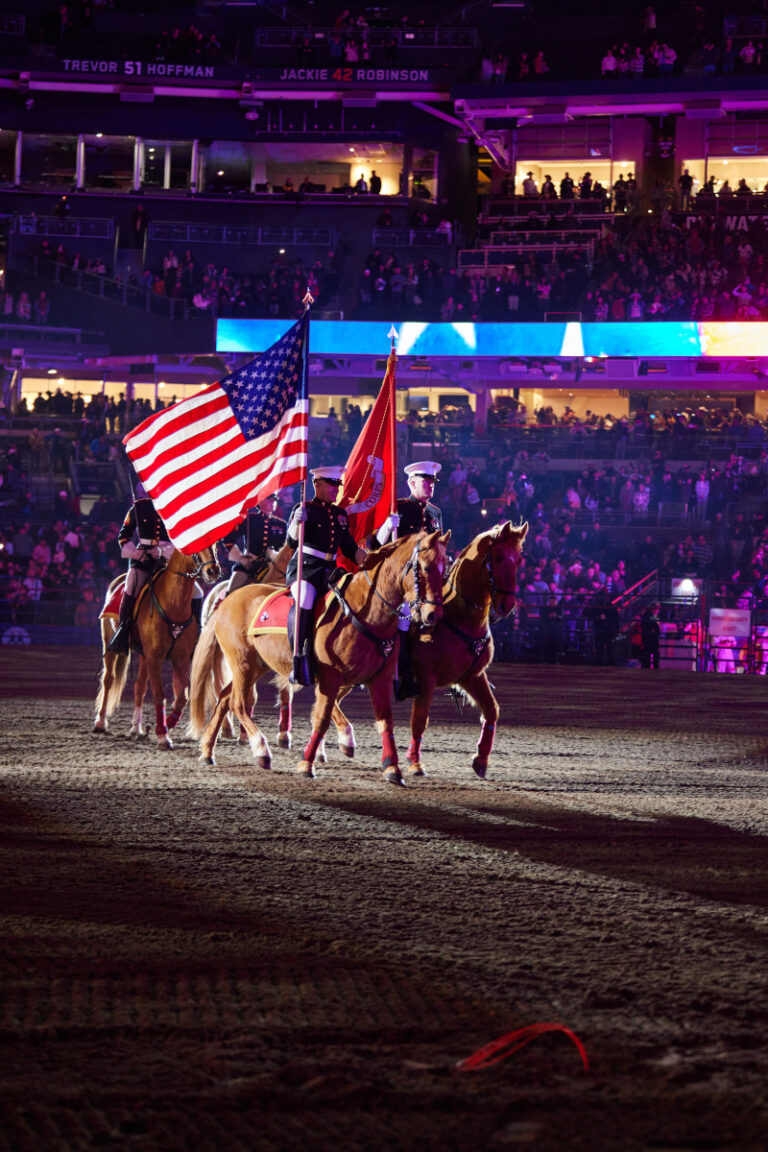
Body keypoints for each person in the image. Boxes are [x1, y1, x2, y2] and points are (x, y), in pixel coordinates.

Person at [285, 466, 368, 686]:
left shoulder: (339, 514)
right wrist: (295, 523)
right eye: (331, 485)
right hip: (306, 568)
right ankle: (298, 659)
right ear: (317, 485)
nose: (335, 490)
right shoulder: (305, 509)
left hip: (330, 571)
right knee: (304, 599)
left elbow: (350, 548)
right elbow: (292, 543)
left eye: (337, 485)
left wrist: (371, 562)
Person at [375, 461, 444, 699]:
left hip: (427, 578)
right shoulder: (398, 508)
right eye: (426, 482)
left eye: (432, 482)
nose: (430, 486)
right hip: (401, 579)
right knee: (404, 620)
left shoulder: (435, 513)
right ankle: (401, 674)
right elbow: (375, 546)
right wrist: (386, 528)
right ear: (411, 483)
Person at [108, 484, 178, 653]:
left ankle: (191, 631)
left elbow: (179, 538)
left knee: (190, 590)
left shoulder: (174, 508)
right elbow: (123, 536)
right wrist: (136, 553)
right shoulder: (138, 508)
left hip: (166, 561)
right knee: (131, 586)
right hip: (142, 560)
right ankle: (122, 632)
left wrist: (162, 550)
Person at [225, 494, 286, 595]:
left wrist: (275, 554)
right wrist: (241, 558)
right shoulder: (249, 520)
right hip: (250, 564)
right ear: (260, 501)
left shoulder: (281, 524)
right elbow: (228, 540)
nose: (273, 502)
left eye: (274, 500)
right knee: (232, 591)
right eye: (270, 500)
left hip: (273, 564)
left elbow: (284, 547)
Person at [640, 600, 661, 669]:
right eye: (657, 608)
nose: (658, 610)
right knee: (650, 653)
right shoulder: (649, 616)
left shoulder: (651, 616)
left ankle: (648, 667)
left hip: (650, 638)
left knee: (649, 654)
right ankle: (651, 667)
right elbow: (646, 626)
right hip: (650, 638)